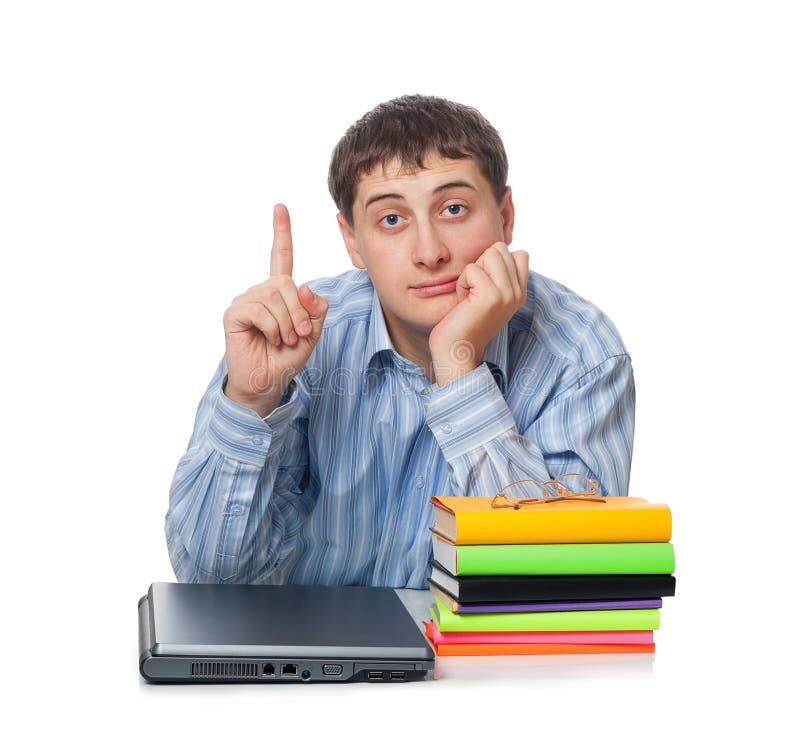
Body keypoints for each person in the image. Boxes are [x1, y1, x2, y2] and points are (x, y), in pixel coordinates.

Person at [165, 95, 635, 588]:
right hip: (311, 658)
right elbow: (208, 579)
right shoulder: (293, 333)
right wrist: (252, 401)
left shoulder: (581, 354)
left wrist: (459, 369)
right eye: (392, 219)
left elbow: (566, 586)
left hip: (488, 667)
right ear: (353, 241)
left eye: (454, 209)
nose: (429, 252)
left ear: (505, 215)